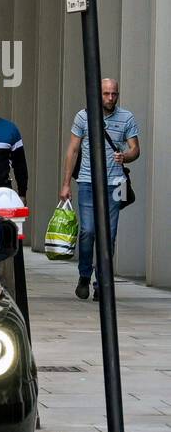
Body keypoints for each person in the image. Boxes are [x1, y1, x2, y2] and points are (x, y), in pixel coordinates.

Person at [59, 79, 140, 301]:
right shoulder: (83, 117)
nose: (110, 98)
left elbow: (135, 150)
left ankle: (101, 284)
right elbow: (72, 150)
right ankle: (84, 275)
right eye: (106, 94)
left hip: (116, 185)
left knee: (109, 235)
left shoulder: (127, 118)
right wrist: (66, 184)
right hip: (86, 182)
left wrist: (125, 156)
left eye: (114, 94)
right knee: (88, 231)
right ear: (98, 94)